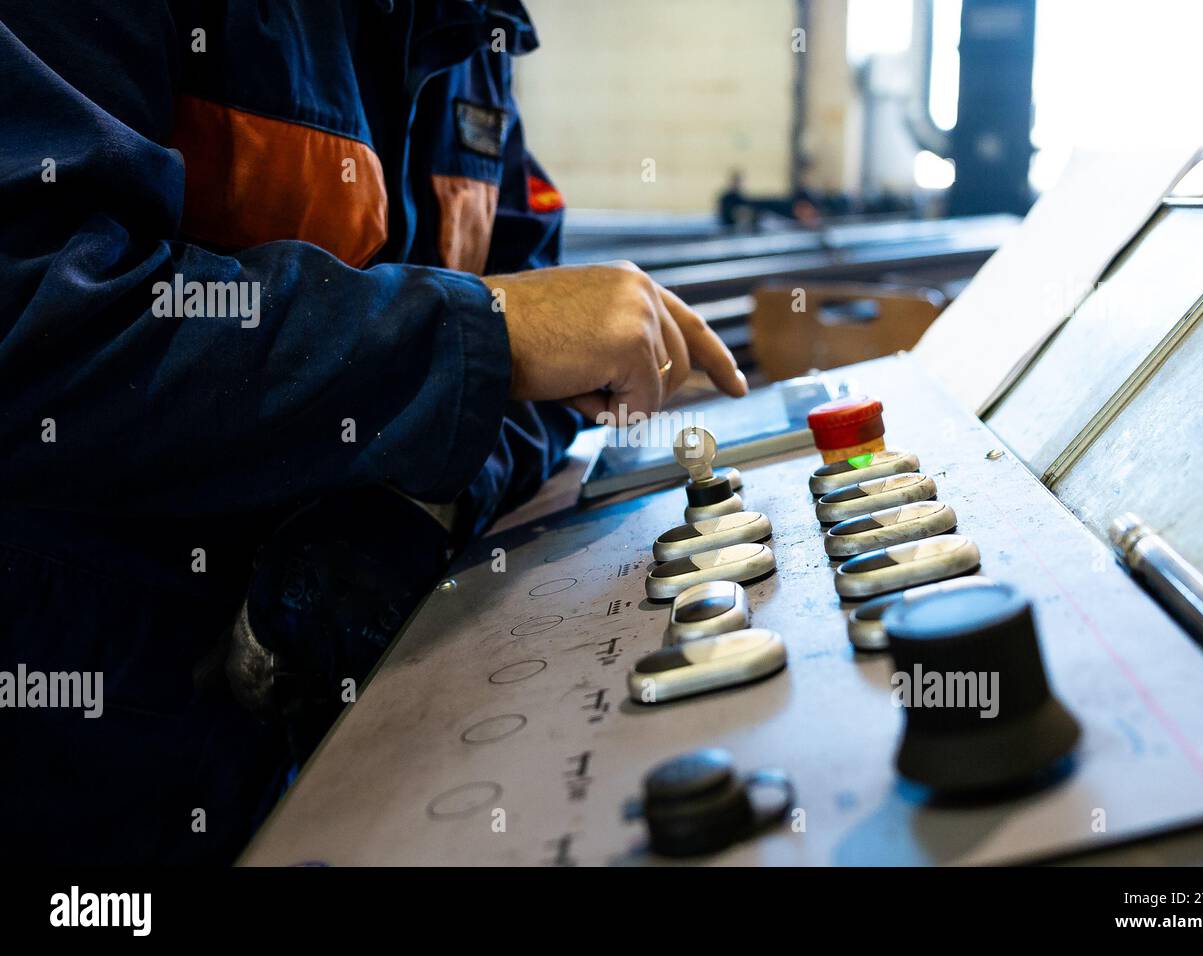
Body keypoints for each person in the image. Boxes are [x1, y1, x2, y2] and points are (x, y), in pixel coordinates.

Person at [0, 0, 746, 864]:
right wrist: (483, 333)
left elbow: (553, 369)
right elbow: (37, 325)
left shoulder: (468, 33)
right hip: (90, 755)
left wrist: (418, 508)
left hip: (356, 725)